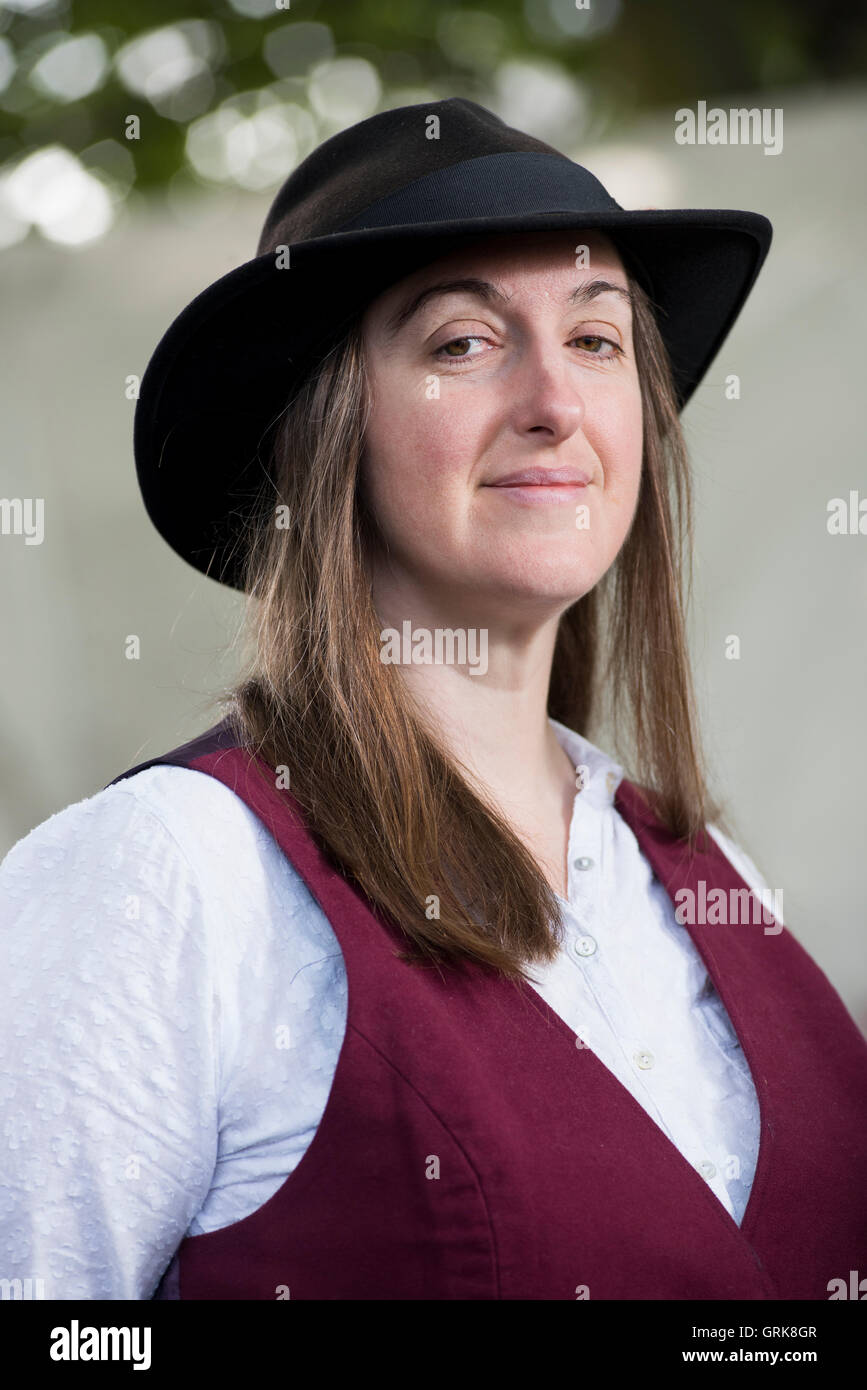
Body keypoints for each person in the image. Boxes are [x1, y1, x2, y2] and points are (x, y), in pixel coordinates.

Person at [1, 98, 865, 1302]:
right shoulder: (172, 871)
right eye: (463, 341)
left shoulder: (697, 865)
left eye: (599, 339)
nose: (554, 401)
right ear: (329, 433)